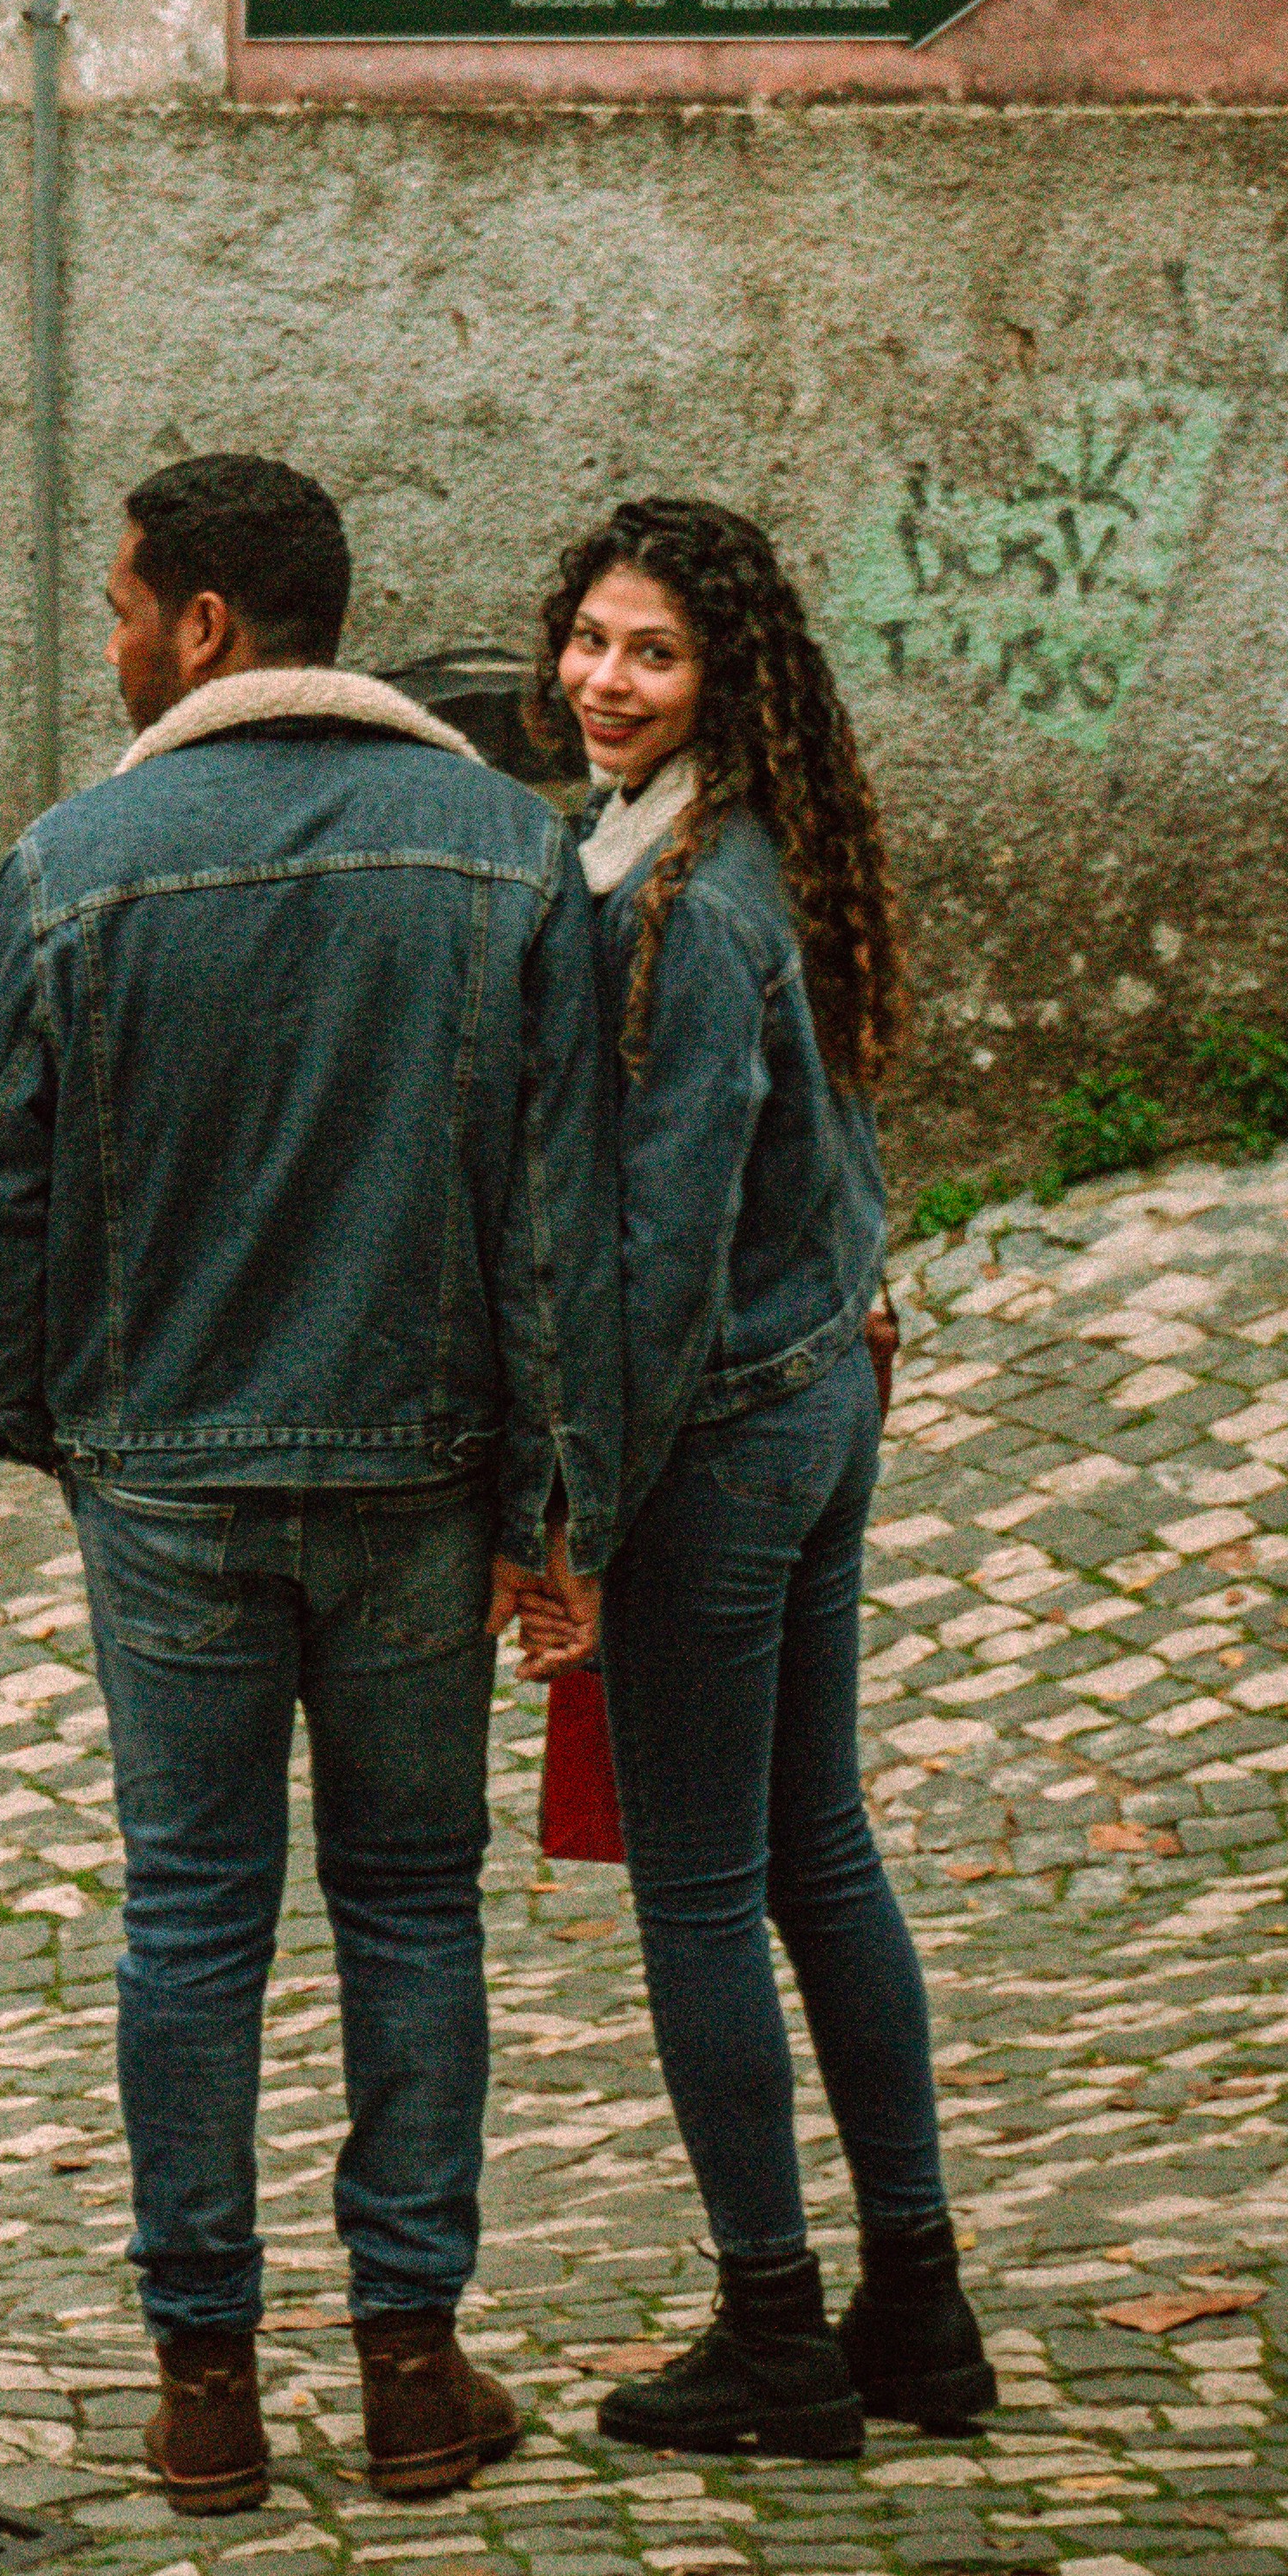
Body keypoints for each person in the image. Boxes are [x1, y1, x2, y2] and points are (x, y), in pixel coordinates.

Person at [0, 450, 619, 2518]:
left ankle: (205, 2392)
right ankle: (411, 2372)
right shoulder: (504, 856)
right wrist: (544, 1494)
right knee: (410, 1911)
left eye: (127, 611)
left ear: (209, 629)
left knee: (191, 1915)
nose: (117, 649)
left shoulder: (73, 863)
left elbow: (2, 1186)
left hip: (166, 1481)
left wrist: (59, 1420)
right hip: (417, 1467)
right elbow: (550, 1217)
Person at [509, 496, 996, 2461]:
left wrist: (576, 1525)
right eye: (590, 642)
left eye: (650, 656)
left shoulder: (677, 912)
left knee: (701, 1894)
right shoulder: (761, 854)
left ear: (725, 683)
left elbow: (652, 1257)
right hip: (819, 1403)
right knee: (820, 1853)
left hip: (714, 1442)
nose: (602, 683)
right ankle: (922, 2312)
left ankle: (777, 2335)